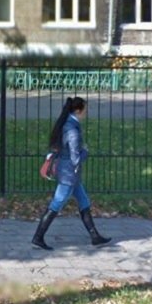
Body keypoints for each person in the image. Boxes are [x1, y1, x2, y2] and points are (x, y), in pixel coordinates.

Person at [31, 96, 111, 250]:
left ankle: (95, 236)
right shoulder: (73, 131)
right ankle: (38, 237)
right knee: (56, 203)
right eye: (84, 111)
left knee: (83, 201)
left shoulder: (66, 123)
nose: (85, 114)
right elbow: (75, 159)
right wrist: (85, 151)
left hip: (68, 173)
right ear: (78, 111)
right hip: (69, 175)